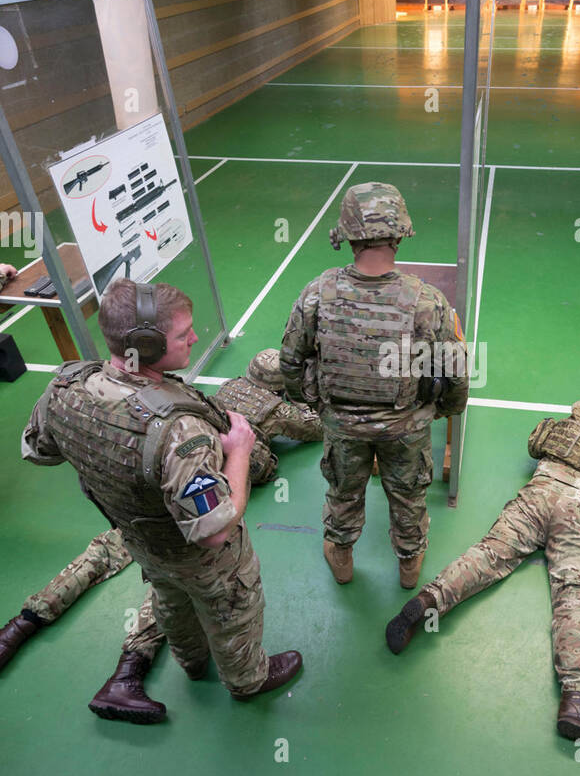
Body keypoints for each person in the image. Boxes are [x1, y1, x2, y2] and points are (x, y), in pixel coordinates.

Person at [20, 280, 302, 722]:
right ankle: (247, 680)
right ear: (146, 345)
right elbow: (215, 530)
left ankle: (191, 663)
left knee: (170, 600)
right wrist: (241, 449)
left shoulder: (64, 390)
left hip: (140, 541)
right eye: (182, 334)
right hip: (202, 558)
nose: (193, 338)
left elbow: (39, 451)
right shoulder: (178, 431)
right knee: (231, 608)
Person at [386, 378, 580, 753]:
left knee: (489, 554)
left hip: (541, 490)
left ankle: (426, 602)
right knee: (576, 591)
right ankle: (579, 701)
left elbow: (539, 440)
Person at [280, 181, 469, 590]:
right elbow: (455, 371)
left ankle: (342, 555)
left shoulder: (317, 293)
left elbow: (290, 364)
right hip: (406, 427)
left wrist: (318, 403)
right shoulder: (427, 301)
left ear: (347, 235)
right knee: (408, 495)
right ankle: (408, 562)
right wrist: (441, 409)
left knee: (344, 492)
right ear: (400, 234)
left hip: (342, 425)